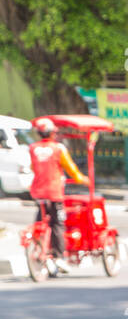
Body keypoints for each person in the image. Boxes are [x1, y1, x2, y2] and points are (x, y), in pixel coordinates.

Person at [28, 118, 86, 277]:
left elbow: (33, 167)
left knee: (40, 221)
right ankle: (60, 257)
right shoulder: (58, 148)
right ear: (53, 132)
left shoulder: (32, 148)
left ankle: (39, 248)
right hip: (54, 193)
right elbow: (71, 169)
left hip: (38, 192)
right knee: (57, 224)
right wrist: (82, 179)